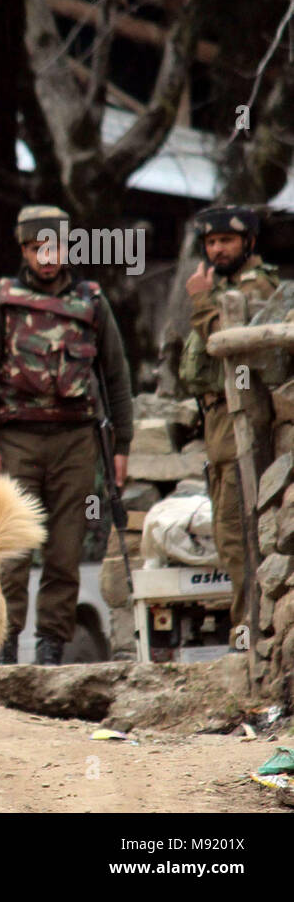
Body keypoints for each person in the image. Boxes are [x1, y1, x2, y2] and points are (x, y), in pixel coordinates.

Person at [0, 205, 133, 665]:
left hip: (76, 442)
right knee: (14, 549)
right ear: (23, 250)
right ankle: (3, 646)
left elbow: (116, 378)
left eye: (55, 247)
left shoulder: (92, 302)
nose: (47, 256)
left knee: (65, 551)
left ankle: (51, 647)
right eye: (38, 248)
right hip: (16, 439)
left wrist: (122, 446)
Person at [178, 205, 277, 646]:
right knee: (229, 536)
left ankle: (248, 640)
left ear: (249, 243)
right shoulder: (223, 285)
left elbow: (228, 343)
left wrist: (200, 299)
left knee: (241, 537)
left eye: (227, 241)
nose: (217, 249)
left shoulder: (256, 287)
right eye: (211, 243)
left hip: (243, 419)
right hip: (218, 421)